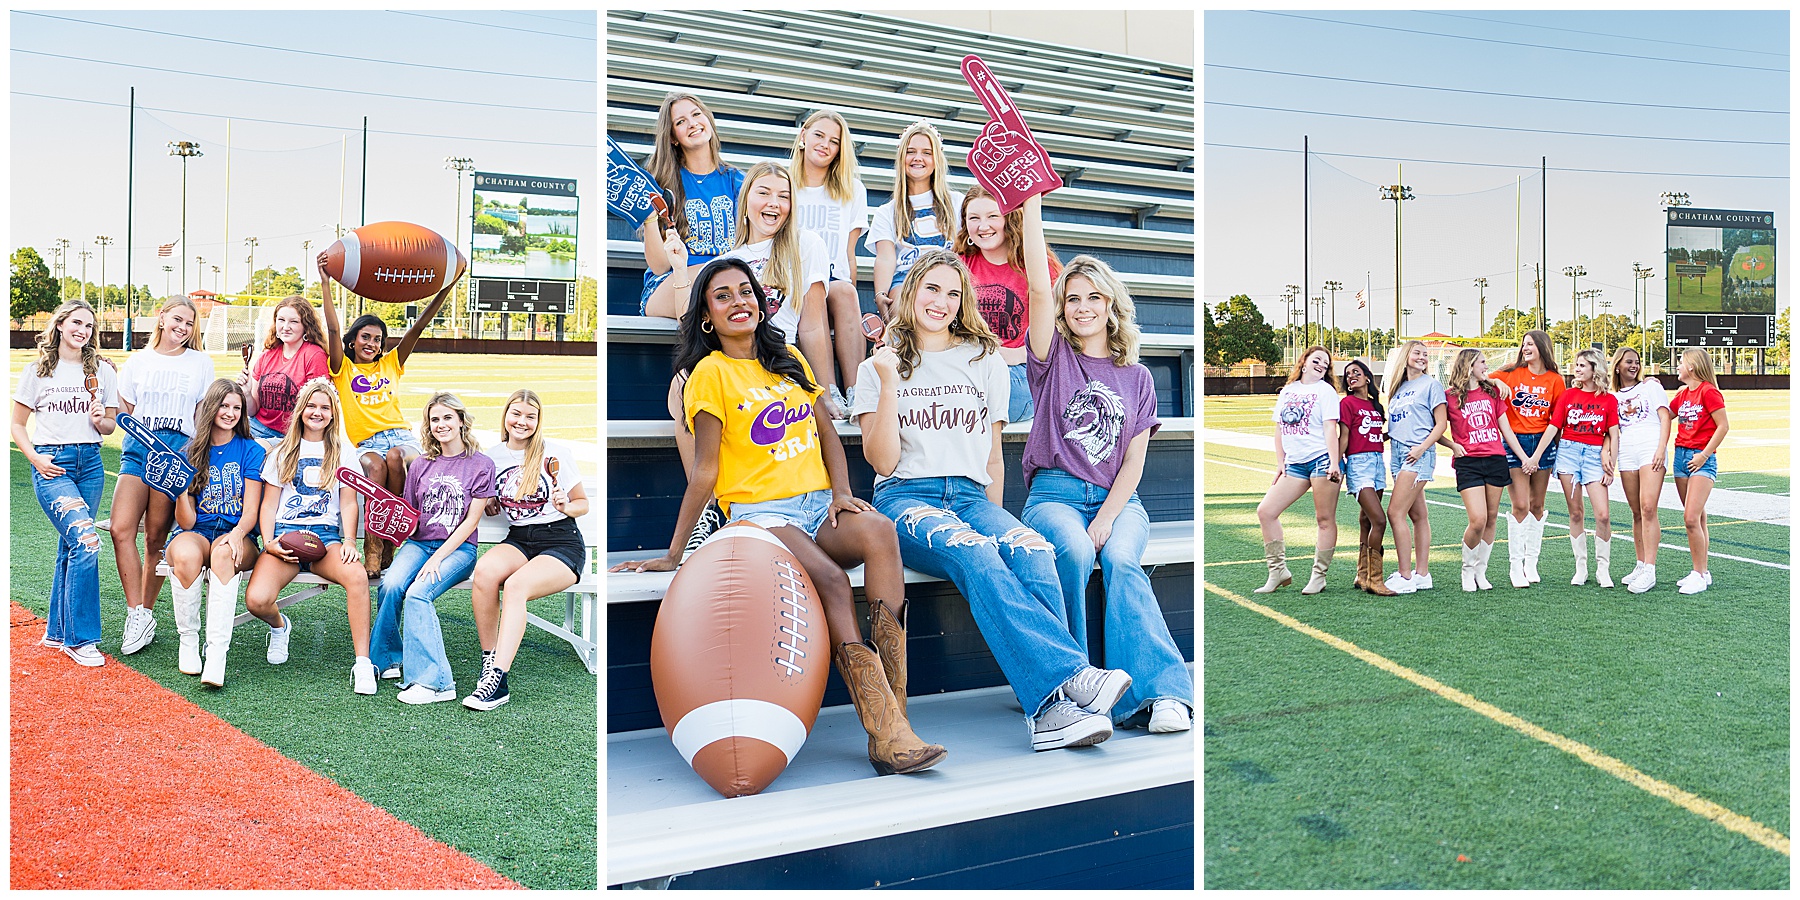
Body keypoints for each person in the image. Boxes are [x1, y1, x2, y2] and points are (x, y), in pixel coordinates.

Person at [612, 258, 944, 773]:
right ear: (706, 315)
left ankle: (897, 713)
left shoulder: (788, 358)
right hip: (761, 513)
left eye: (745, 291)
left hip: (816, 505)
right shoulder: (709, 374)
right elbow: (704, 472)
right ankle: (883, 732)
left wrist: (841, 493)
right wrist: (675, 552)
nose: (738, 301)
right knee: (833, 581)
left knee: (879, 531)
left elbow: (826, 433)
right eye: (722, 296)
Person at [854, 248, 1133, 752]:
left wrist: (999, 522)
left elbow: (993, 460)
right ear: (912, 288)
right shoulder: (878, 365)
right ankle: (1066, 685)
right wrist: (891, 382)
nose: (941, 301)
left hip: (969, 495)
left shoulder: (983, 360)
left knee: (1033, 550)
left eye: (953, 293)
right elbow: (883, 463)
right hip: (905, 497)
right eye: (932, 288)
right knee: (976, 553)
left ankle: (1051, 705)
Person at [1018, 254, 1192, 733]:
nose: (1083, 307)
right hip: (1054, 495)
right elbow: (1036, 288)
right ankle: (1069, 685)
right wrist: (1030, 201)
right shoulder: (1053, 357)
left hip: (1119, 500)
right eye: (1073, 298)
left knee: (1121, 560)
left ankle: (1162, 693)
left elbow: (1134, 461)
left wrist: (1107, 517)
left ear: (1112, 304)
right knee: (1071, 550)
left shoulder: (1137, 377)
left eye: (1094, 296)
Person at [319, 251, 460, 576]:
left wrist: (446, 288)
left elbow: (420, 324)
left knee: (397, 457)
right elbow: (333, 327)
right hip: (367, 442)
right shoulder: (343, 368)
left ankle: (391, 543)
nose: (371, 343)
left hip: (399, 436)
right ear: (353, 341)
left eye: (378, 339)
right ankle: (374, 548)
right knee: (374, 467)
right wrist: (326, 282)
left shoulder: (391, 363)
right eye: (365, 337)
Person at [243, 380, 376, 693]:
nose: (317, 412)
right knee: (257, 600)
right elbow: (269, 503)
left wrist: (348, 543)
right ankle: (279, 626)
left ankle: (363, 663)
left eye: (325, 407)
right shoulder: (282, 452)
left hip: (326, 539)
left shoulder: (343, 452)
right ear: (301, 410)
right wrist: (269, 542)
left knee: (356, 576)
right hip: (285, 538)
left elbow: (347, 501)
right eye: (312, 406)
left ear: (333, 414)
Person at [466, 389, 591, 711]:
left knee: (517, 586)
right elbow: (489, 500)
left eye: (530, 416)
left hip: (561, 541)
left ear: (538, 421)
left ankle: (498, 681)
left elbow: (583, 504)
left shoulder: (554, 453)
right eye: (516, 414)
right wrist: (491, 503)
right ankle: (489, 659)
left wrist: (566, 506)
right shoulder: (492, 457)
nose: (522, 421)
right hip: (520, 538)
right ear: (505, 416)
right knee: (484, 573)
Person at [370, 392, 496, 704]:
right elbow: (411, 517)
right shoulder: (421, 465)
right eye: (435, 419)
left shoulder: (481, 464)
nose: (441, 424)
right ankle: (386, 659)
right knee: (391, 584)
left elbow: (470, 522)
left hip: (458, 550)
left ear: (462, 421)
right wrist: (393, 522)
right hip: (419, 544)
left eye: (447, 417)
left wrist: (437, 558)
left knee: (417, 594)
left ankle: (435, 683)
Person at [11, 300, 117, 666]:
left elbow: (109, 427)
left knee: (70, 544)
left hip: (90, 463)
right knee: (87, 542)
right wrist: (35, 458)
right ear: (59, 325)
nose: (82, 331)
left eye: (89, 326)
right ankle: (80, 638)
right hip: (52, 463)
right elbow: (16, 425)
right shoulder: (38, 370)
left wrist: (102, 417)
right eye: (76, 323)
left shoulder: (102, 371)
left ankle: (58, 632)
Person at [110, 295, 214, 655]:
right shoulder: (137, 361)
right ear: (161, 317)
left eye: (189, 324)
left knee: (156, 538)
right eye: (178, 320)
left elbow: (202, 416)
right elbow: (123, 409)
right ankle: (134, 610)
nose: (183, 328)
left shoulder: (200, 362)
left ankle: (146, 615)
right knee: (121, 528)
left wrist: (193, 463)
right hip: (139, 446)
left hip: (175, 451)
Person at [167, 379, 266, 685]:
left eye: (237, 407)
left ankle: (217, 655)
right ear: (211, 407)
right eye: (224, 405)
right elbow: (186, 522)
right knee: (183, 553)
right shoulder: (190, 451)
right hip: (198, 530)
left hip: (238, 533)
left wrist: (237, 533)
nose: (231, 412)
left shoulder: (251, 450)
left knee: (225, 553)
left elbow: (251, 510)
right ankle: (188, 642)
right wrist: (181, 491)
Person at [789, 108, 872, 413]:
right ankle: (828, 390)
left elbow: (848, 251)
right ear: (803, 137)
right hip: (793, 277)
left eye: (833, 141)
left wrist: (847, 283)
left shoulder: (852, 190)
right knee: (815, 291)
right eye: (818, 135)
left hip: (834, 276)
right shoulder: (786, 184)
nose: (825, 144)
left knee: (845, 292)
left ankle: (857, 391)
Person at [956, 186, 1061, 423]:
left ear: (1009, 218)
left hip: (1020, 371)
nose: (983, 226)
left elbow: (1061, 333)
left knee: (1001, 394)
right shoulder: (959, 264)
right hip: (969, 367)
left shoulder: (1037, 265)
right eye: (974, 218)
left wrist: (1014, 354)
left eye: (993, 216)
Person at [641, 91, 744, 319]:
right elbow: (659, 266)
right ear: (673, 137)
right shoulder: (662, 185)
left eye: (697, 114)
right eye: (681, 121)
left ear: (708, 119)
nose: (692, 123)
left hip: (729, 285)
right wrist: (648, 218)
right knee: (713, 277)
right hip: (670, 284)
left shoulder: (738, 181)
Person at [1437, 350, 1528, 592]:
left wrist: (1524, 458)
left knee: (1491, 517)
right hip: (1468, 462)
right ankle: (1467, 569)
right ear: (1469, 365)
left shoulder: (1492, 392)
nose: (1487, 366)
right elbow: (1436, 429)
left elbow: (1506, 431)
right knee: (1477, 519)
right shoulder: (1449, 397)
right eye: (1482, 362)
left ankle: (1481, 571)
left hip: (1496, 459)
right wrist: (1451, 445)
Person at [1254, 346, 1341, 594]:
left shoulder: (1326, 391)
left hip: (1321, 460)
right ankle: (1278, 571)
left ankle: (1319, 576)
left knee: (1324, 519)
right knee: (1266, 511)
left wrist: (1334, 463)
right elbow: (1279, 428)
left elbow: (1329, 429)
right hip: (1295, 464)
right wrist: (1281, 463)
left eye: (1325, 363)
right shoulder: (1288, 391)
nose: (1321, 365)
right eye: (1317, 360)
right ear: (1304, 362)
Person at [1539, 349, 1620, 587]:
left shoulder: (1608, 399)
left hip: (1595, 456)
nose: (1577, 368)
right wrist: (1535, 457)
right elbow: (1554, 428)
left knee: (1603, 515)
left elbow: (1614, 435)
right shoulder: (1568, 395)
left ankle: (1603, 569)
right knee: (1575, 513)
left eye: (1583, 365)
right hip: (1568, 454)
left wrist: (1610, 465)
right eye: (1576, 364)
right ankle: (1581, 568)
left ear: (1595, 368)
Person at [867, 120, 963, 321]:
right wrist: (880, 295)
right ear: (902, 157)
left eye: (927, 153)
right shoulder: (887, 211)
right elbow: (885, 258)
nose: (918, 158)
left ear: (936, 159)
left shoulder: (957, 203)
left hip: (949, 277)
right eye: (911, 151)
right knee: (907, 304)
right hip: (906, 279)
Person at [1492, 330, 1565, 587]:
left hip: (1543, 444)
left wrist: (1536, 455)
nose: (1525, 348)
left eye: (1530, 344)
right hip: (1514, 443)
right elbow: (1477, 376)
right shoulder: (1510, 373)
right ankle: (1515, 566)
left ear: (1543, 348)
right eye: (1523, 344)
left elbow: (1555, 421)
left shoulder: (1556, 380)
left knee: (1537, 505)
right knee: (1520, 505)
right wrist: (1497, 382)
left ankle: (1531, 563)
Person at [1382, 340, 1449, 594]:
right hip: (1398, 454)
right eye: (1417, 353)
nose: (1422, 357)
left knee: (1395, 513)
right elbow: (1402, 424)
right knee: (1417, 515)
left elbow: (1440, 424)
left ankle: (1406, 576)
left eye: (1425, 354)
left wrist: (1422, 448)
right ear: (1405, 356)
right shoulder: (1398, 389)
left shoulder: (1431, 385)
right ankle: (1423, 574)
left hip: (1417, 455)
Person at [1610, 347, 1673, 593]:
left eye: (1636, 362)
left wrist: (1661, 448)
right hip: (1627, 453)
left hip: (1650, 448)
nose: (1634, 366)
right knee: (1636, 511)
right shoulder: (1613, 397)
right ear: (1617, 366)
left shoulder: (1651, 387)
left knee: (1648, 507)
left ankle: (1650, 568)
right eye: (1628, 362)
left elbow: (1665, 417)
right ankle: (1639, 563)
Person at [1670, 349, 1729, 595]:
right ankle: (1702, 572)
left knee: (1690, 518)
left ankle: (1699, 574)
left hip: (1701, 459)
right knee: (1698, 517)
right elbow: (1665, 412)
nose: (1677, 367)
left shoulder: (1708, 391)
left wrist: (1704, 454)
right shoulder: (1683, 394)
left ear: (1692, 366)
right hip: (1681, 457)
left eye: (1681, 363)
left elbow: (1723, 426)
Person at [1338, 358, 1397, 596]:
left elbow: (1374, 436)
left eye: (1356, 372)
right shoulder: (1347, 403)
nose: (1351, 376)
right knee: (1379, 521)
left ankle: (1362, 575)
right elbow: (1344, 437)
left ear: (1367, 377)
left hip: (1377, 463)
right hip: (1358, 464)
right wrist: (1337, 463)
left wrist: (1393, 433)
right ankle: (1375, 579)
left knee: (1366, 520)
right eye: (1348, 374)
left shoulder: (1375, 406)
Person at [239, 294, 329, 444]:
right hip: (256, 428)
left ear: (306, 326)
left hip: (292, 435)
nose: (285, 327)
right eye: (281, 320)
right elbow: (252, 411)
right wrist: (247, 393)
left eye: (294, 321)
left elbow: (317, 410)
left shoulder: (314, 356)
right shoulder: (266, 355)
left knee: (257, 453)